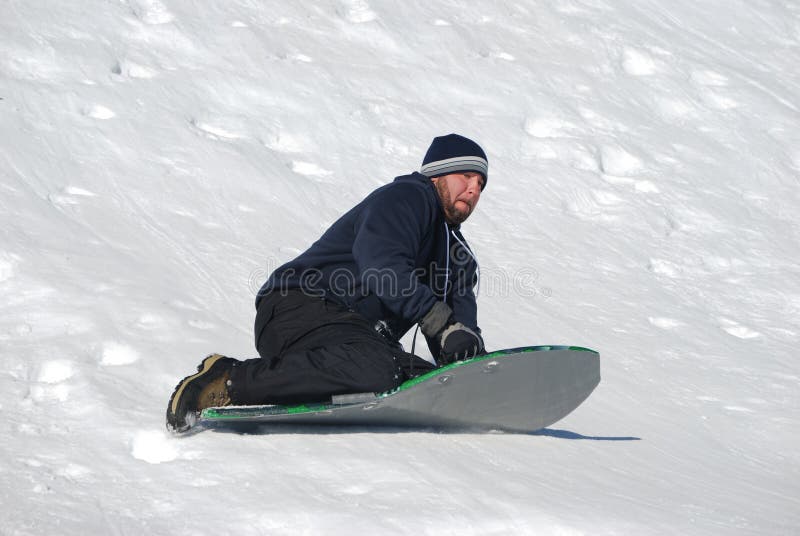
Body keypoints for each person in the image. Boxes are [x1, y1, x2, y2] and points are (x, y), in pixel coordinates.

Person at [166, 133, 488, 432]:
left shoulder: (457, 256)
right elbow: (381, 264)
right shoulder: (406, 198)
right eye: (466, 177)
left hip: (352, 337)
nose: (473, 190)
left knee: (421, 383)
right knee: (378, 369)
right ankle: (226, 380)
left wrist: (467, 358)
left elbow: (458, 328)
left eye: (480, 184)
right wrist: (440, 324)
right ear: (438, 174)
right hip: (299, 305)